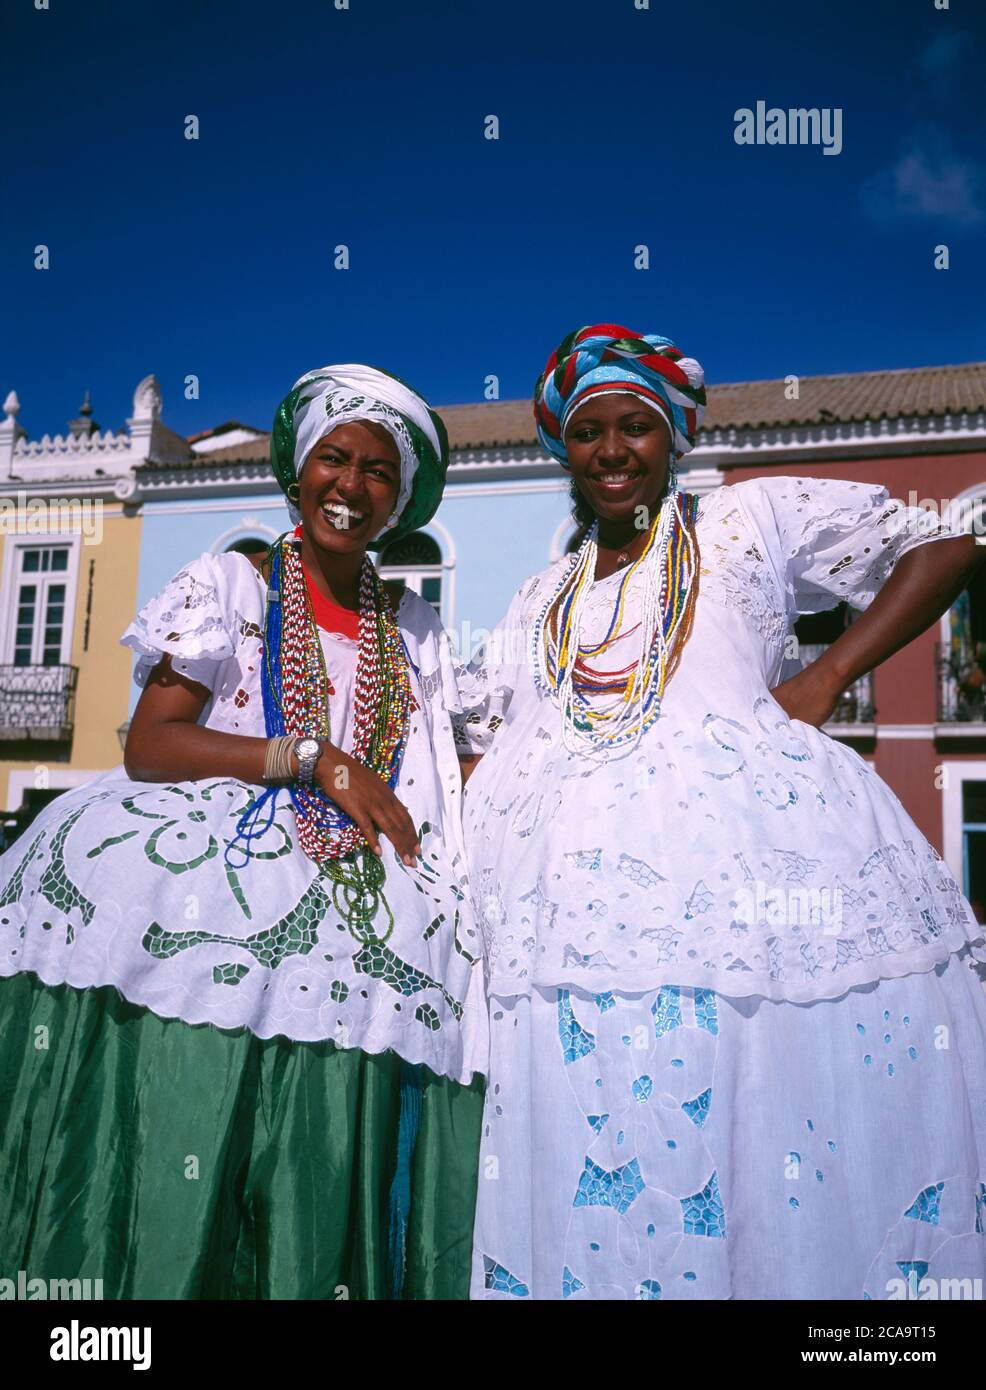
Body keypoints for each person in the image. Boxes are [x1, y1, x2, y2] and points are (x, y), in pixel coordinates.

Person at [455, 323, 986, 1301]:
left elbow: (953, 538)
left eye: (635, 427)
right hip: (551, 935)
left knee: (742, 1127)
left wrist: (825, 675)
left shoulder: (746, 527)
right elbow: (488, 746)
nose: (611, 450)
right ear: (563, 452)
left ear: (674, 438)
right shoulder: (537, 600)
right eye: (586, 433)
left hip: (731, 901)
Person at [0, 363, 486, 1300]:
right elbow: (152, 743)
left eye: (378, 472)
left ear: (399, 500)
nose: (352, 486)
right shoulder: (232, 582)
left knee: (313, 1150)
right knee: (199, 1113)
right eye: (335, 460)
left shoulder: (415, 626)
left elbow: (443, 767)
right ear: (298, 474)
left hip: (358, 902)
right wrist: (311, 760)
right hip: (221, 868)